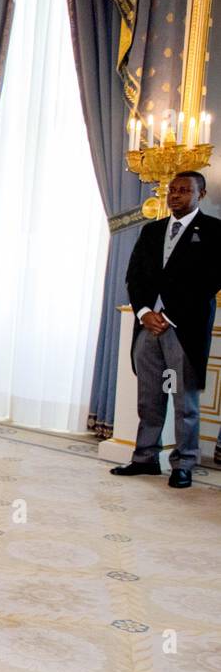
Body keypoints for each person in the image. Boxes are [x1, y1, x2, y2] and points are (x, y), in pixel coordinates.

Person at [110, 171, 221, 489]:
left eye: (184, 190)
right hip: (147, 327)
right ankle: (144, 458)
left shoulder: (215, 232)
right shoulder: (151, 230)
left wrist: (168, 316)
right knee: (149, 398)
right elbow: (135, 275)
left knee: (185, 401)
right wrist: (144, 312)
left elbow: (210, 281)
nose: (175, 195)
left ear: (200, 194)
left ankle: (184, 463)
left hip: (183, 329)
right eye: (172, 190)